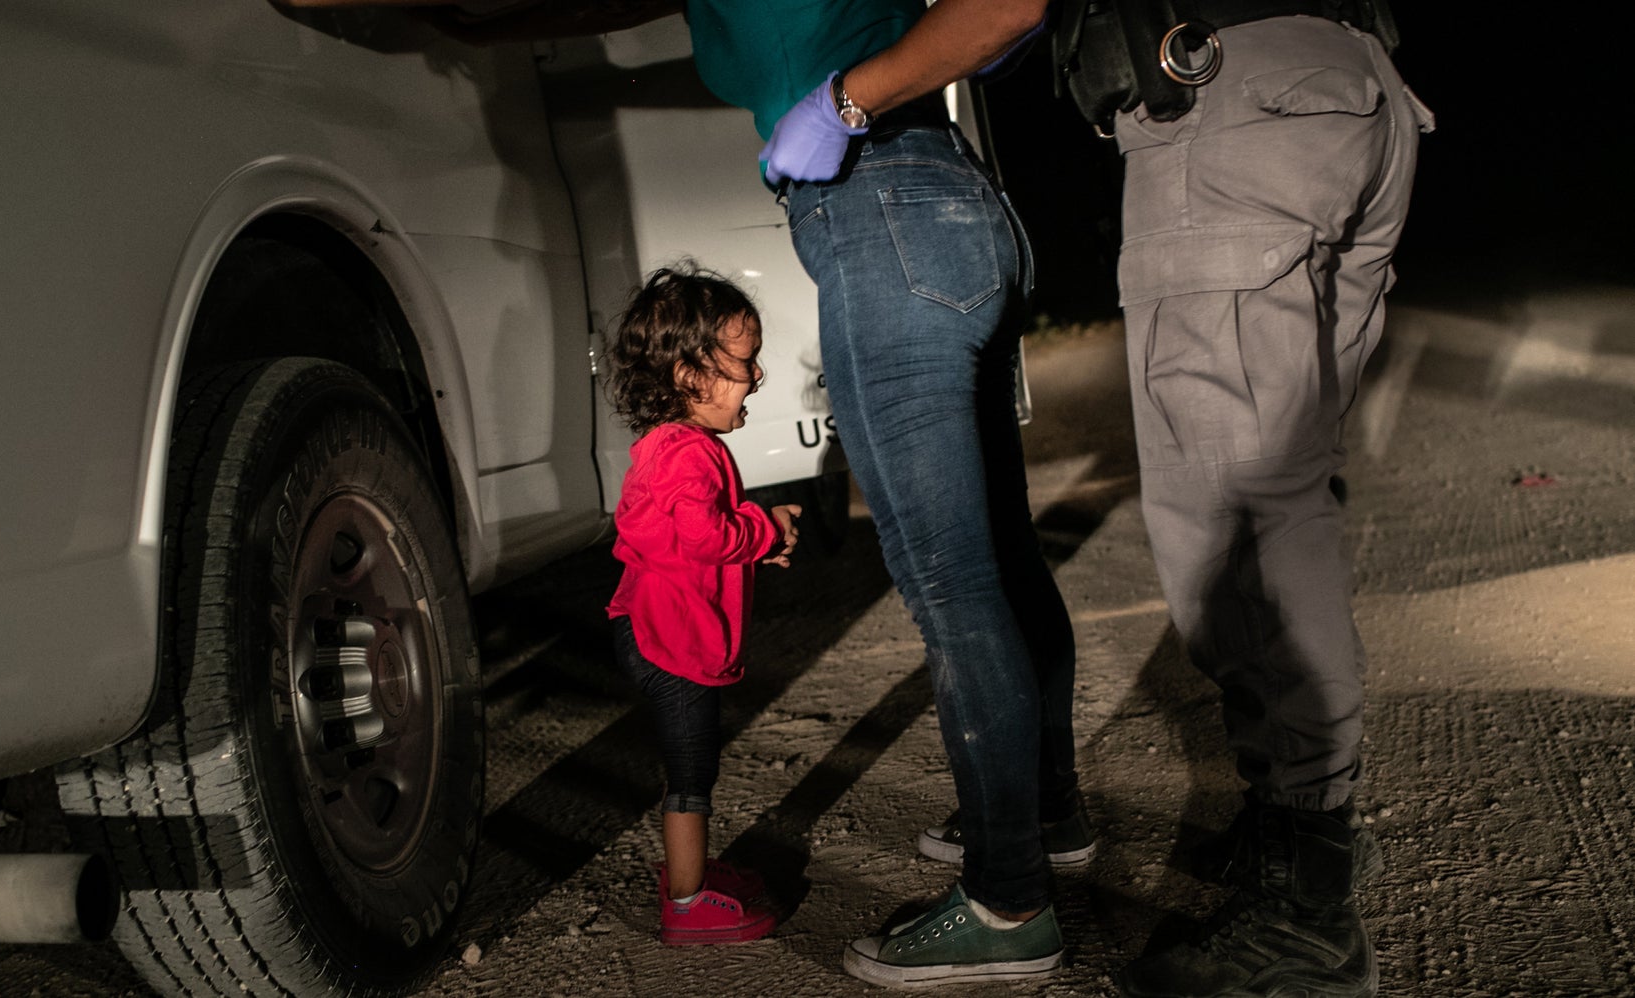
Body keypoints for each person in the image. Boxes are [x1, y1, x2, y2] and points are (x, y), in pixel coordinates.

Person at [769, 0, 1432, 994]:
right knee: (1284, 497)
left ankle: (1306, 916)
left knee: (1234, 527)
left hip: (1229, 93)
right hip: (1345, 82)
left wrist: (851, 97)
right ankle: (1294, 838)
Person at [682, 0, 1091, 988]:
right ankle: (1041, 811)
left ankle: (1006, 901)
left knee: (948, 575)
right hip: (949, 204)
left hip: (877, 213)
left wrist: (841, 106)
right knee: (995, 551)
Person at [604, 263, 801, 946]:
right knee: (692, 773)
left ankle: (693, 873)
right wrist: (765, 528)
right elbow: (702, 534)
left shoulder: (670, 447)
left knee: (692, 765)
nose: (756, 377)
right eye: (745, 363)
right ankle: (686, 901)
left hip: (653, 628)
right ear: (692, 376)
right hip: (673, 642)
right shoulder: (688, 454)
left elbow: (686, 534)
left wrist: (754, 538)